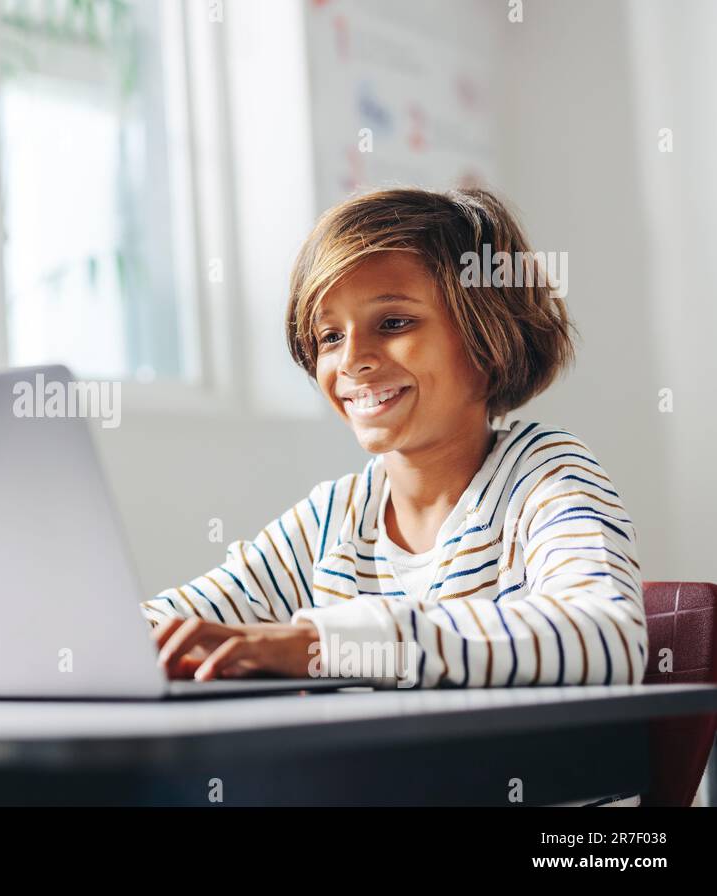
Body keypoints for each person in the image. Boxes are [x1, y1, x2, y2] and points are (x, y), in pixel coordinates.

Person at [143, 187, 645, 697]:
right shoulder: (333, 518)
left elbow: (609, 637)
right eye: (330, 337)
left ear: (489, 342)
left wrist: (331, 643)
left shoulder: (544, 473)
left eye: (394, 323)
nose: (352, 359)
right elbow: (168, 627)